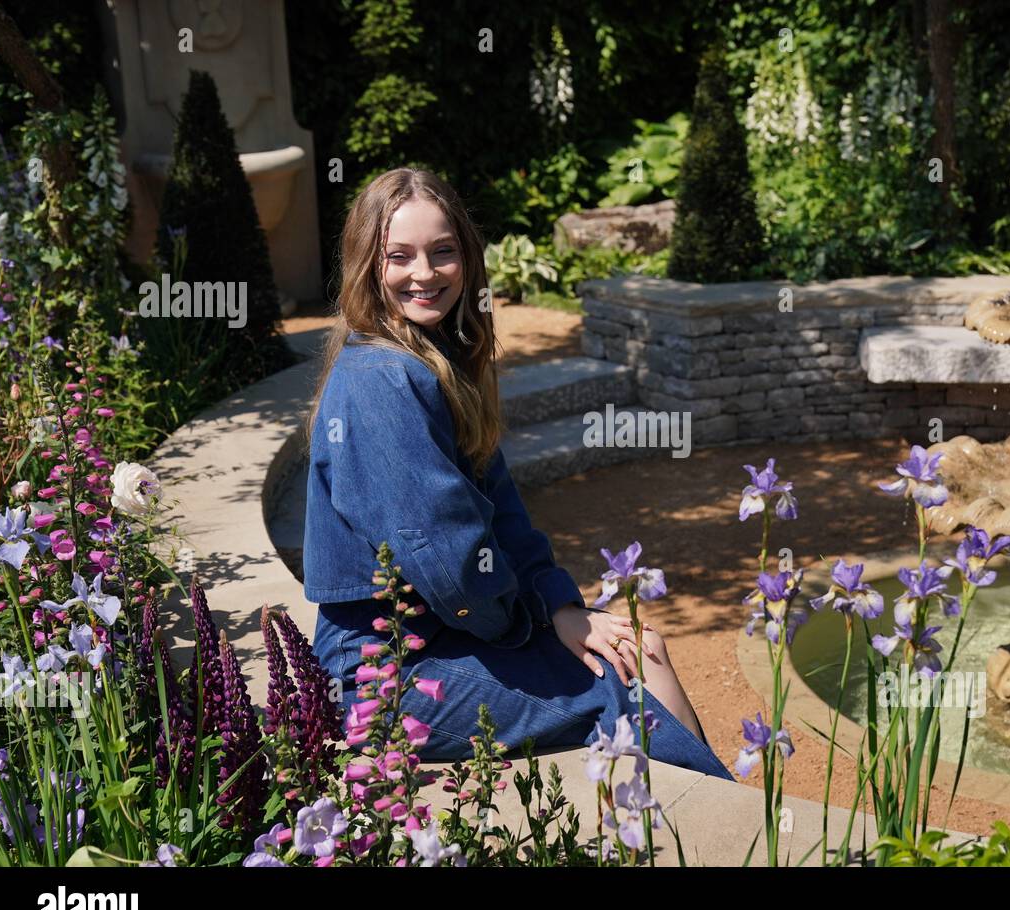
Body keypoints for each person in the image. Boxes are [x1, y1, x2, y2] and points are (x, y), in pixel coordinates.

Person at [302, 167, 731, 780]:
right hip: (386, 670)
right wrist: (530, 626)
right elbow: (445, 558)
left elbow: (503, 511)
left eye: (443, 251)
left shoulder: (441, 360)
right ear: (367, 264)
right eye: (400, 256)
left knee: (643, 651)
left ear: (467, 258)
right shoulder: (381, 382)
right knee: (627, 692)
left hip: (446, 636)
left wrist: (559, 605)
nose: (424, 273)